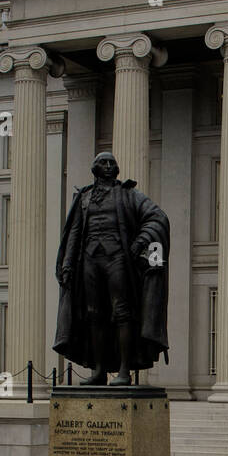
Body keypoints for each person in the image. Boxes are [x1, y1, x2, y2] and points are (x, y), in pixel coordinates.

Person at [54, 151, 169, 386]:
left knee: (121, 312)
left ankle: (124, 370)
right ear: (94, 168)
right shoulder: (84, 198)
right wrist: (67, 264)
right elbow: (74, 234)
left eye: (111, 163)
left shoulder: (128, 194)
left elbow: (158, 217)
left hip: (117, 257)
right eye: (102, 163)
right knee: (93, 314)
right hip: (89, 260)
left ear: (116, 169)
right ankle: (98, 371)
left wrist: (139, 243)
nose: (108, 166)